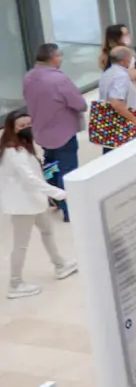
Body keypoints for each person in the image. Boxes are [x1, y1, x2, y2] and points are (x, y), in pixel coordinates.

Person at [2, 107, 75, 299]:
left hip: (35, 201)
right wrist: (60, 194)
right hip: (23, 207)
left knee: (48, 232)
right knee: (21, 245)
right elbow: (31, 180)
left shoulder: (24, 146)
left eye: (29, 124)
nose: (27, 128)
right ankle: (15, 284)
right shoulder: (14, 153)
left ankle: (60, 265)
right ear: (12, 128)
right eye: (22, 126)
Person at [22, 44, 85, 218]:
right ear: (53, 58)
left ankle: (53, 198)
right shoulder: (59, 79)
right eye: (59, 55)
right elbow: (78, 103)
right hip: (63, 133)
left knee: (51, 166)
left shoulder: (28, 78)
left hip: (42, 132)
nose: (61, 59)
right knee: (68, 170)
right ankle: (69, 210)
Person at [97, 25, 136, 134]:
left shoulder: (106, 55)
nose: (128, 36)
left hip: (114, 105)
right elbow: (132, 75)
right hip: (131, 95)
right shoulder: (124, 56)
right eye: (125, 34)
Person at [94, 46, 136, 150]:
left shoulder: (107, 73)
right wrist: (133, 119)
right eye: (130, 57)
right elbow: (116, 102)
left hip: (107, 122)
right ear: (124, 60)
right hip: (121, 125)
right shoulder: (121, 76)